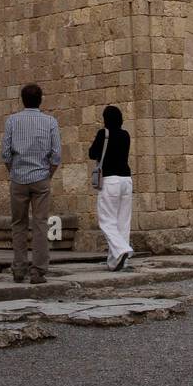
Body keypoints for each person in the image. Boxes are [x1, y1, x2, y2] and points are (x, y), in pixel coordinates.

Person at [1, 83, 61, 284]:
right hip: (41, 177)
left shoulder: (12, 121)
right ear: (40, 99)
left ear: (22, 100)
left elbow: (5, 153)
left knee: (18, 224)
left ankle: (18, 269)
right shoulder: (50, 122)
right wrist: (47, 174)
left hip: (18, 177)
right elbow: (56, 154)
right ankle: (38, 271)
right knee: (40, 224)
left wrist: (14, 171)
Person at [88, 105, 134, 271]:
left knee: (107, 221)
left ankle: (122, 250)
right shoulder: (126, 135)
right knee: (123, 222)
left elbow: (92, 153)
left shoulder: (103, 134)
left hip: (110, 181)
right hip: (126, 180)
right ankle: (116, 262)